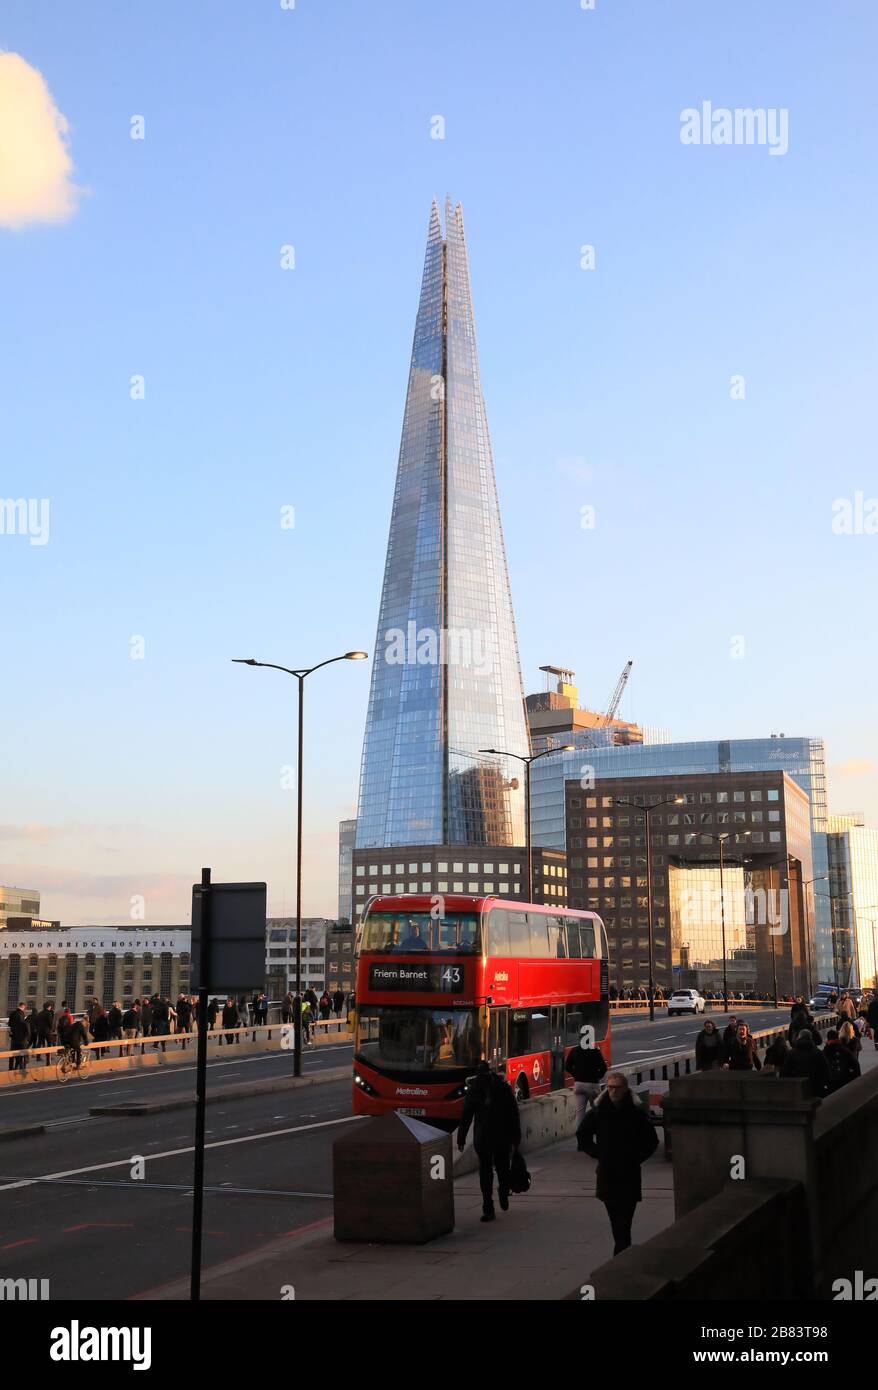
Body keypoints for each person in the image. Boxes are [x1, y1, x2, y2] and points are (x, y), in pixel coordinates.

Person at [578, 1071, 658, 1255]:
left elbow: (651, 1141)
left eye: (617, 1087)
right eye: (610, 1087)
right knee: (616, 1221)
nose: (613, 1091)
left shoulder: (636, 1113)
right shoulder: (599, 1112)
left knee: (625, 1221)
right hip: (607, 1174)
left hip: (629, 1174)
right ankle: (623, 1253)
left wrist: (636, 1157)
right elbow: (583, 1135)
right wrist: (598, 1153)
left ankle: (621, 1256)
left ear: (625, 1089)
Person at [456, 1060, 521, 1222]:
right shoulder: (504, 1088)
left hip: (482, 1137)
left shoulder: (473, 1090)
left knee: (485, 1172)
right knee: (503, 1167)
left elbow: (466, 1116)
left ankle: (488, 1207)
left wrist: (461, 1137)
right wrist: (516, 1137)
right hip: (502, 1136)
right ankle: (504, 1191)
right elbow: (514, 1114)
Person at [566, 1027, 608, 1143]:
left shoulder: (574, 1051)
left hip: (579, 1084)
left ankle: (581, 1142)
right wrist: (597, 1076)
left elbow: (567, 1066)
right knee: (597, 1112)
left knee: (580, 1113)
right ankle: (600, 1138)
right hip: (593, 1085)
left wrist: (576, 1076)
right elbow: (604, 1068)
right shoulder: (595, 1051)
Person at [780, 1028, 831, 1097]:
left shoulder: (791, 1054)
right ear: (811, 1038)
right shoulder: (818, 1053)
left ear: (799, 1038)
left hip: (797, 1089)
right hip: (815, 1088)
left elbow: (785, 1073)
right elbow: (826, 1071)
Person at [7, 1002, 30, 1071]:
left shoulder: (12, 1013)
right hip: (21, 1038)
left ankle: (10, 1068)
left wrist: (12, 1033)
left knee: (12, 1054)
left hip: (14, 1037)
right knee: (20, 1053)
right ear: (23, 1006)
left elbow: (9, 1024)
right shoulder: (22, 1015)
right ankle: (20, 1067)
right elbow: (24, 1028)